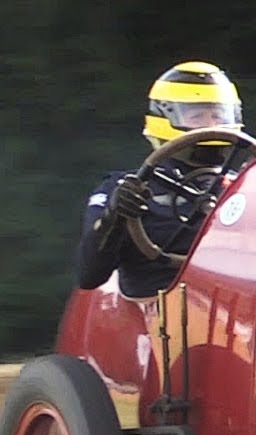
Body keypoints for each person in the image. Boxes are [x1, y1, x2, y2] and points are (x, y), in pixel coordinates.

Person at [77, 61, 244, 299]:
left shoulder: (249, 184)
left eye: (219, 116)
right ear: (162, 120)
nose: (213, 126)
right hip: (161, 317)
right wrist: (114, 215)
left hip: (240, 307)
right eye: (198, 117)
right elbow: (89, 276)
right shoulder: (126, 188)